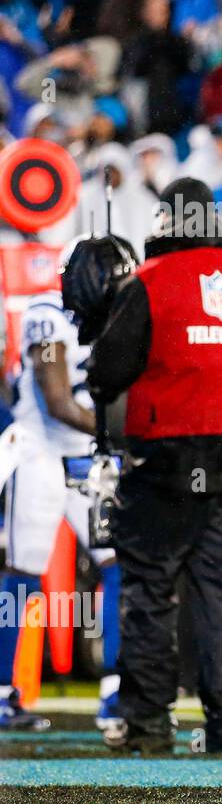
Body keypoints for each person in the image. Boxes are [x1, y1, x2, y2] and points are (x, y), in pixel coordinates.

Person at [85, 178, 222, 755]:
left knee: (150, 585)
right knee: (220, 585)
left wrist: (97, 329)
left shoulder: (149, 281)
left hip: (163, 450)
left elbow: (108, 375)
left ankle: (147, 724)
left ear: (166, 219)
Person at [0, 270, 123, 732]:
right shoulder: (47, 313)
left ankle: (116, 690)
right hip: (39, 450)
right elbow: (56, 400)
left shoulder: (115, 315)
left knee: (118, 562)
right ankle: (3, 691)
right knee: (24, 571)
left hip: (85, 456)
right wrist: (120, 436)